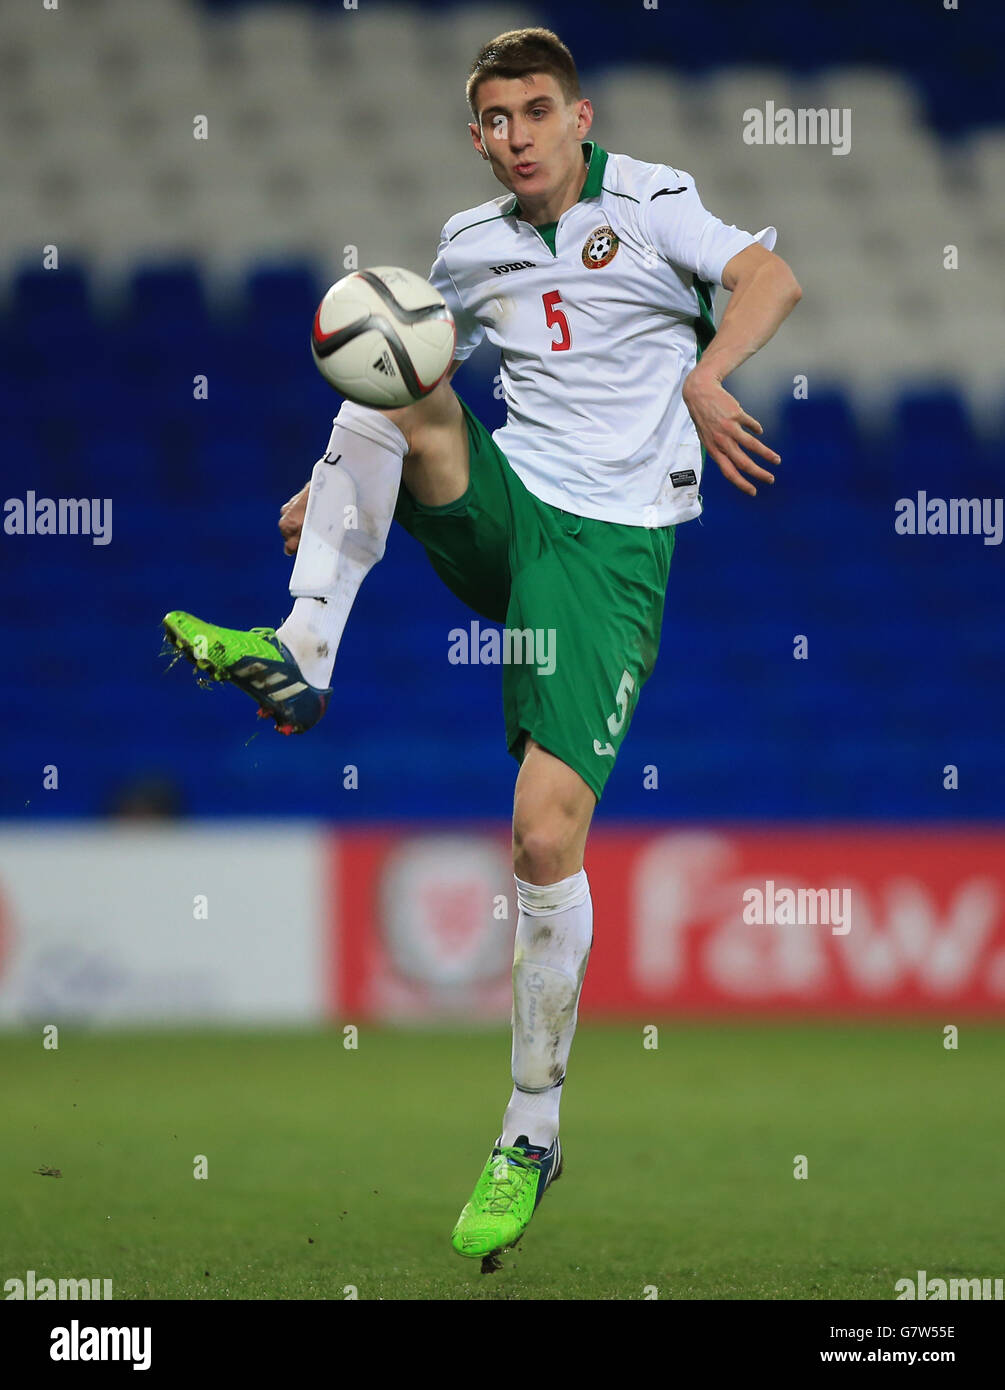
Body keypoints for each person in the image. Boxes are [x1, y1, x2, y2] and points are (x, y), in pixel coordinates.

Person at [163, 27, 801, 1270]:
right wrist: (337, 478)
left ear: (579, 115)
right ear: (475, 135)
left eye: (535, 111)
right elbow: (396, 377)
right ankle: (302, 653)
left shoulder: (654, 199)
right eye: (495, 118)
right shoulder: (469, 246)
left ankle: (530, 1131)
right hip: (513, 506)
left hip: (607, 554)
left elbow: (770, 281)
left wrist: (710, 375)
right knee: (389, 332)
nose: (516, 134)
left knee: (543, 836)